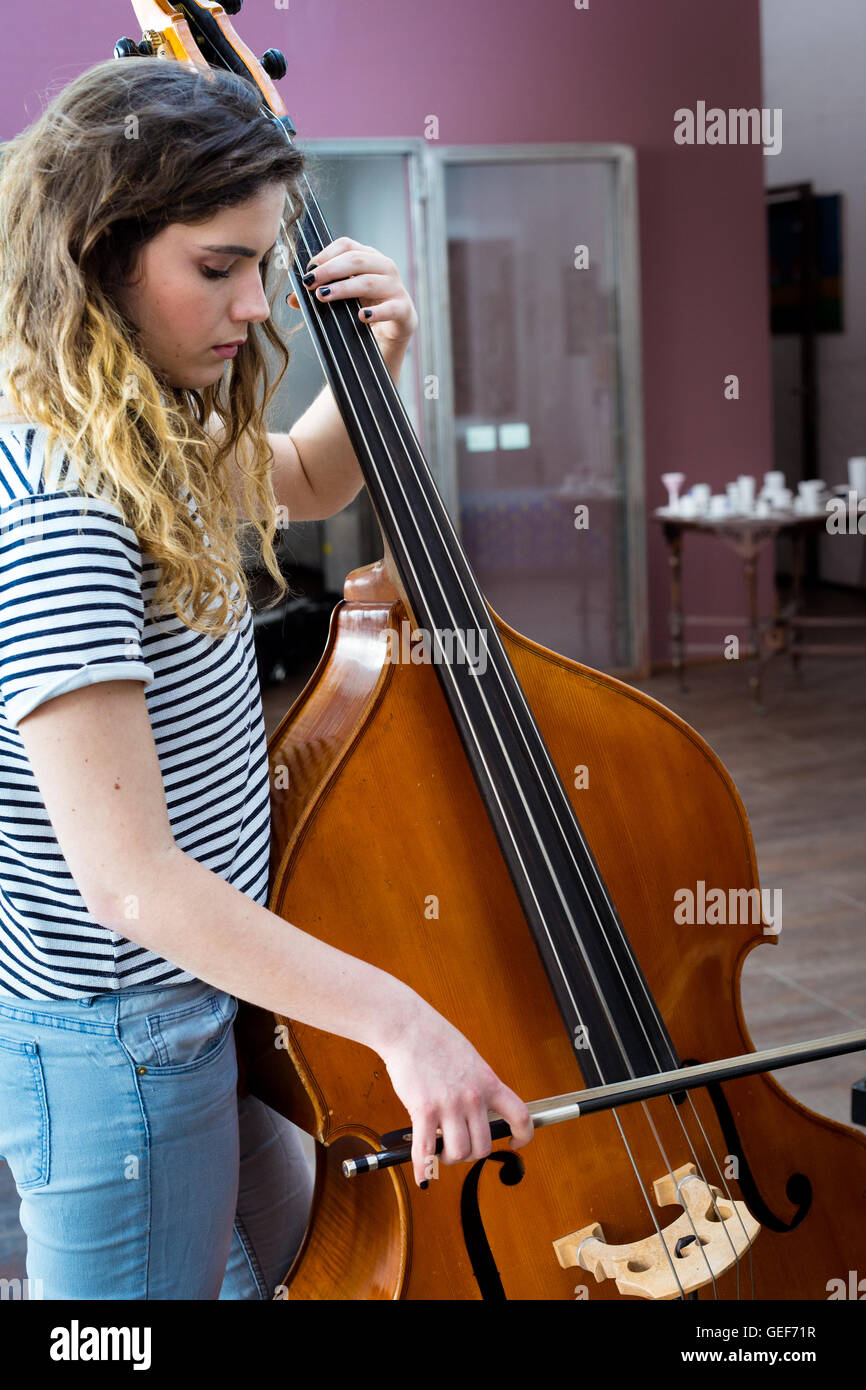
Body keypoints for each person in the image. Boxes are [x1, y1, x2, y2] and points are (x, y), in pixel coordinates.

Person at [0, 56, 532, 1300]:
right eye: (217, 266)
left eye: (260, 262)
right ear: (99, 249)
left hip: (213, 998)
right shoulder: (64, 502)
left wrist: (375, 355)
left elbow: (301, 479)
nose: (253, 304)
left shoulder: (143, 422)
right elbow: (129, 883)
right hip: (126, 1039)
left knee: (300, 1275)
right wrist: (398, 1019)